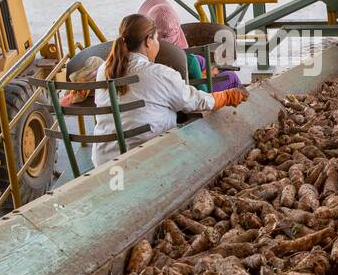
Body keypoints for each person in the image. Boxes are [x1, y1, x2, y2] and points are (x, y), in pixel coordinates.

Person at [92, 13, 248, 167]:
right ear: (148, 41)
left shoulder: (103, 69)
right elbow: (195, 101)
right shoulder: (159, 73)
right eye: (156, 39)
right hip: (145, 158)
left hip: (103, 159)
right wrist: (226, 97)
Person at [138, 0, 243, 93]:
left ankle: (212, 70)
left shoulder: (143, 56)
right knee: (231, 76)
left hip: (165, 89)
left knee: (200, 60)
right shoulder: (189, 60)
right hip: (189, 95)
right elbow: (203, 93)